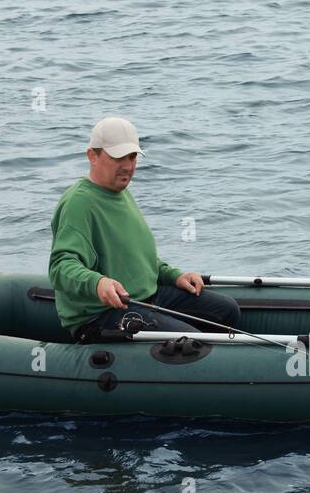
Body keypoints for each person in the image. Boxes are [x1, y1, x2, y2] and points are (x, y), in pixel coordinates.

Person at [48, 116, 240, 343]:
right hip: (103, 315)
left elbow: (139, 258)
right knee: (193, 343)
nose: (128, 166)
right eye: (118, 157)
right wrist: (97, 283)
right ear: (93, 156)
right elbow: (61, 266)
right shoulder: (78, 203)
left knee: (227, 311)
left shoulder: (121, 193)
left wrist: (174, 276)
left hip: (148, 297)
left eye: (132, 157)